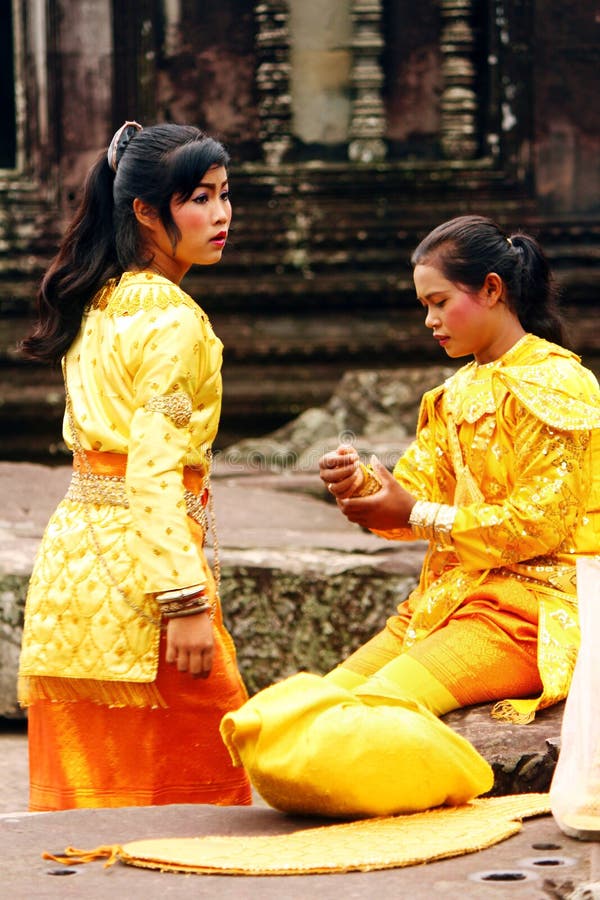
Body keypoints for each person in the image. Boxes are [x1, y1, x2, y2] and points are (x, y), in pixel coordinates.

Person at [219, 214, 600, 819]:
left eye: (439, 302)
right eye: (424, 305)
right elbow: (412, 497)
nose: (429, 320)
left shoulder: (559, 383)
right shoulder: (455, 393)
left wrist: (415, 510)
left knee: (350, 730)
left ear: (493, 290)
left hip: (527, 612)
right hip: (446, 600)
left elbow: (542, 525)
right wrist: (363, 483)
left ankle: (472, 790)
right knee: (295, 716)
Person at [18, 121, 252, 811]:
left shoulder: (98, 303)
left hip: (72, 584)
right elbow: (152, 468)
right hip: (148, 589)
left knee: (84, 813)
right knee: (205, 803)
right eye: (200, 199)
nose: (222, 214)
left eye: (224, 195)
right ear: (147, 211)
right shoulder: (174, 322)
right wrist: (183, 601)